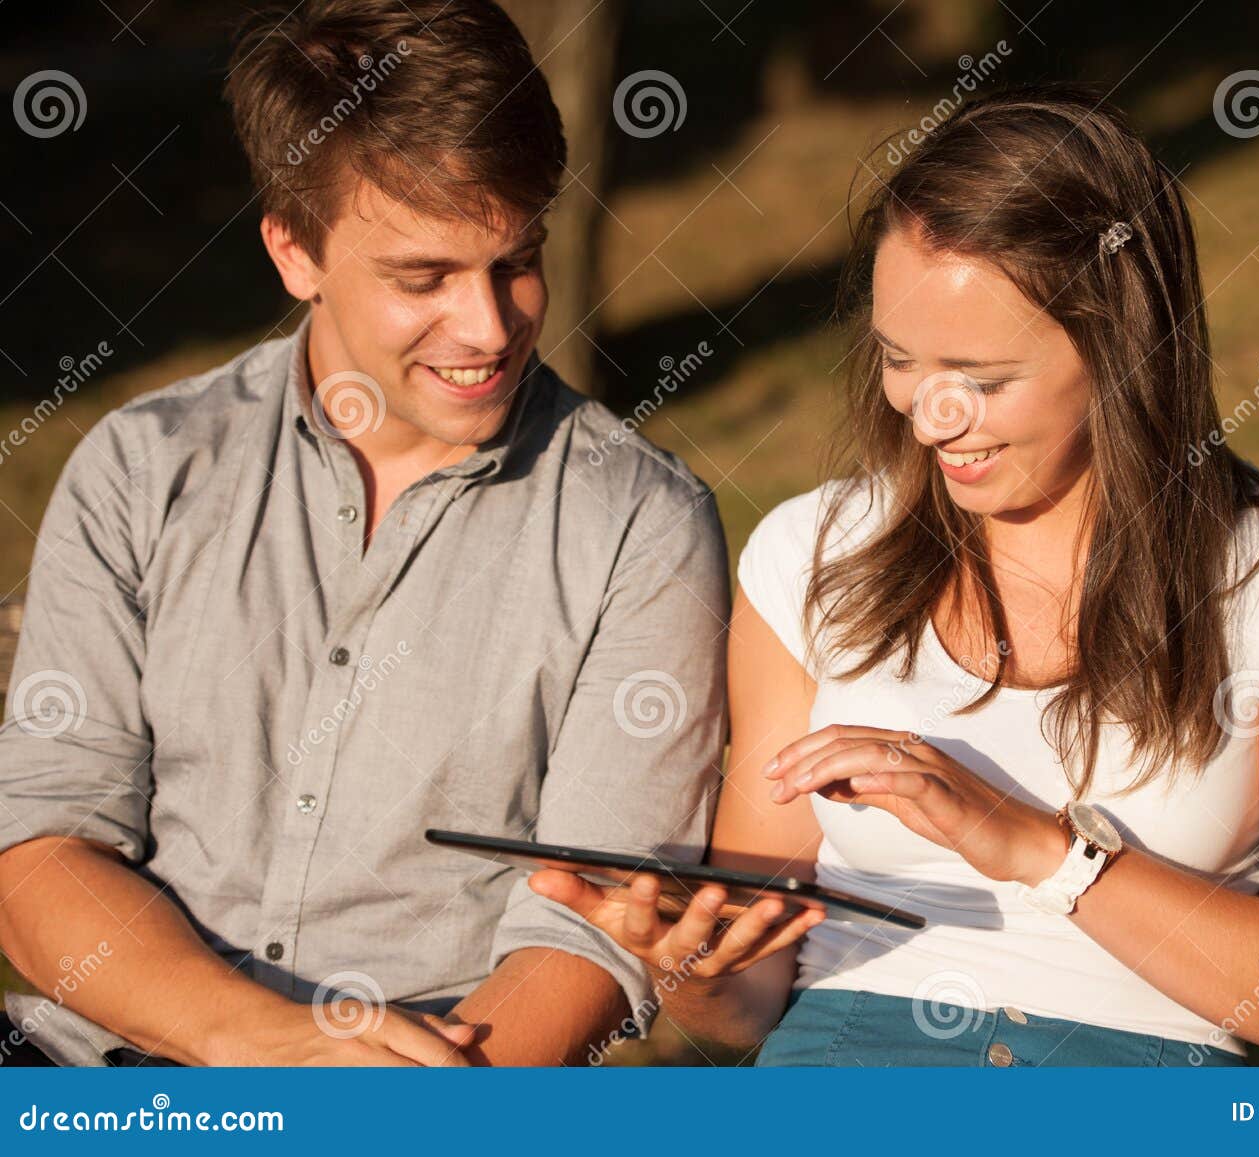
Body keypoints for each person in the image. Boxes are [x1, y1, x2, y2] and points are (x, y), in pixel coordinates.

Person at [530, 83, 1259, 1067]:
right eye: (898, 360)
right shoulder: (811, 555)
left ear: (1120, 346)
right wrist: (700, 967)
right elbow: (749, 1001)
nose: (928, 418)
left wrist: (1041, 850)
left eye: (982, 378)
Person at [0, 0, 728, 1067]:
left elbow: (589, 931)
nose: (488, 327)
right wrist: (266, 1047)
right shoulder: (145, 466)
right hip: (92, 1062)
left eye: (515, 261)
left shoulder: (639, 526)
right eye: (422, 278)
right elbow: (40, 847)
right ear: (294, 251)